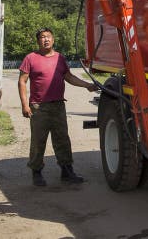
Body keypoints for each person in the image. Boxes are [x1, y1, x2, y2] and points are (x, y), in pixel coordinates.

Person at [18, 28, 97, 187]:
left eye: (48, 37)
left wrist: (87, 85)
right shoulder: (31, 58)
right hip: (39, 107)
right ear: (38, 41)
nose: (45, 39)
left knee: (62, 139)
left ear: (53, 40)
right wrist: (25, 105)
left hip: (58, 106)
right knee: (38, 141)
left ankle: (67, 171)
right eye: (42, 37)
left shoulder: (60, 58)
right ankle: (37, 172)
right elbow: (22, 81)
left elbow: (69, 77)